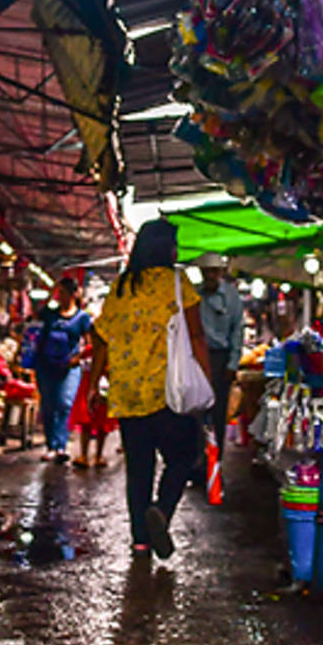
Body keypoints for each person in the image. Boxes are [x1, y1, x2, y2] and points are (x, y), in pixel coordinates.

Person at [91, 219, 213, 559]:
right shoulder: (177, 282)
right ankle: (162, 509)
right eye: (174, 244)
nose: (177, 250)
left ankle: (140, 541)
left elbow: (100, 337)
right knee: (182, 458)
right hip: (168, 392)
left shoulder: (120, 287)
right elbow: (197, 335)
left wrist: (91, 385)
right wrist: (208, 380)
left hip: (127, 393)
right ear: (165, 248)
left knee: (139, 469)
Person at [192, 252, 243, 484]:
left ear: (221, 273)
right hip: (197, 361)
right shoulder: (194, 295)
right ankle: (197, 464)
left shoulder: (231, 297)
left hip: (220, 360)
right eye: (207, 271)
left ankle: (214, 464)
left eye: (214, 271)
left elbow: (237, 332)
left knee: (218, 416)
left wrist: (232, 364)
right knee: (196, 415)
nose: (210, 275)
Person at [31, 277, 92, 465]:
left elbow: (90, 343)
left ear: (74, 295)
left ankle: (61, 445)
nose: (60, 297)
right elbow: (33, 326)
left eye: (64, 293)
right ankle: (51, 446)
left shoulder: (82, 318)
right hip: (45, 365)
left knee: (65, 404)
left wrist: (78, 359)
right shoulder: (49, 314)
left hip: (70, 367)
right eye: (59, 293)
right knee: (48, 406)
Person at [69, 345, 117, 469]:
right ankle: (86, 455)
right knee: (87, 421)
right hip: (89, 388)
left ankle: (96, 455)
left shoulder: (110, 348)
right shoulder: (90, 350)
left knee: (102, 423)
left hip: (101, 388)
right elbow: (73, 362)